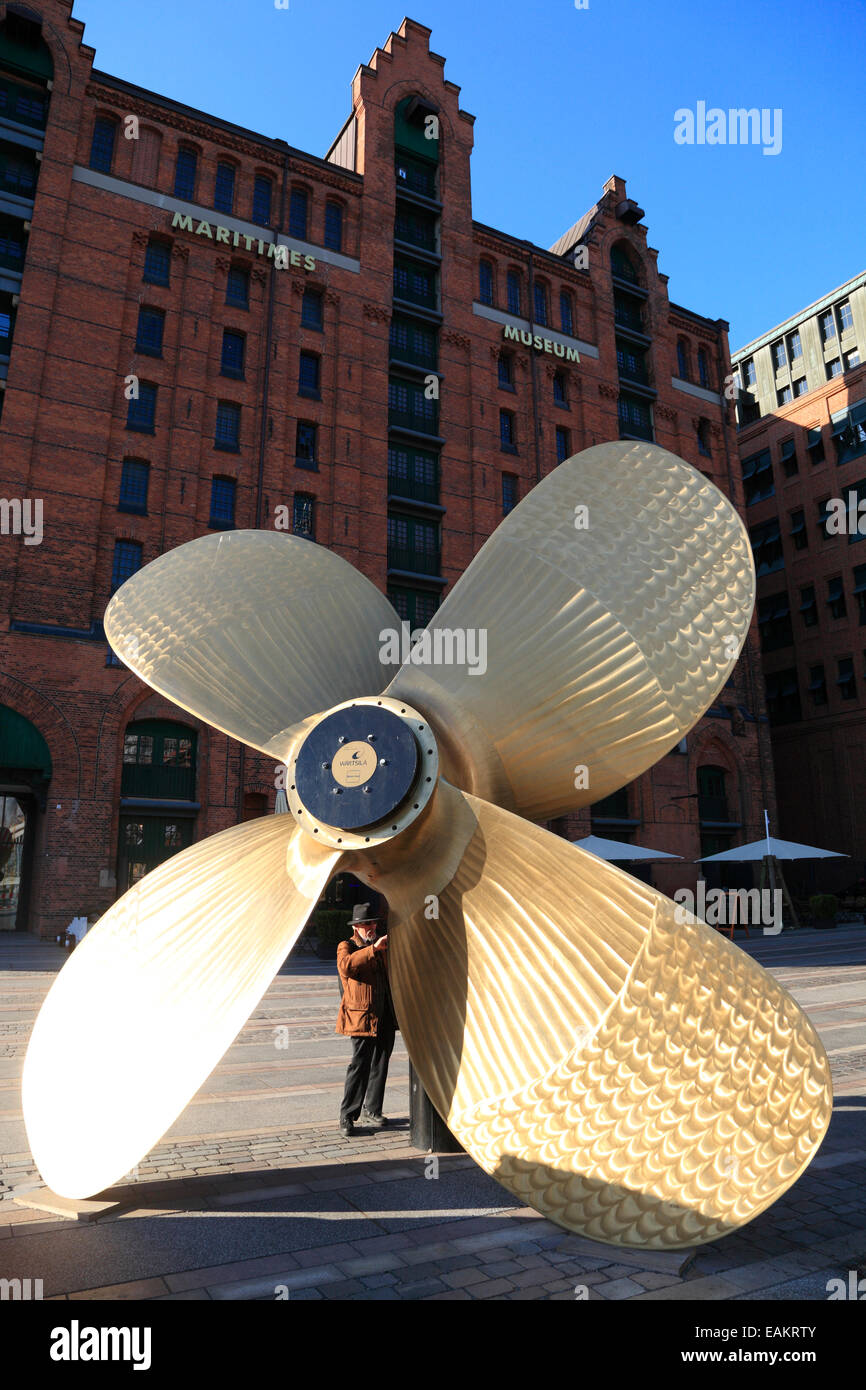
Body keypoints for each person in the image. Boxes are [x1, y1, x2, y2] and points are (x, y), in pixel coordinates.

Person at [336, 903, 396, 1136]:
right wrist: (373, 950)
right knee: (359, 1066)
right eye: (367, 924)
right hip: (361, 1017)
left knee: (380, 1064)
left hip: (385, 1015)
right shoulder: (347, 946)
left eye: (374, 923)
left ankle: (373, 1109)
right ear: (357, 926)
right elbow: (346, 966)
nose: (373, 928)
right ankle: (347, 1115)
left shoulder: (380, 944)